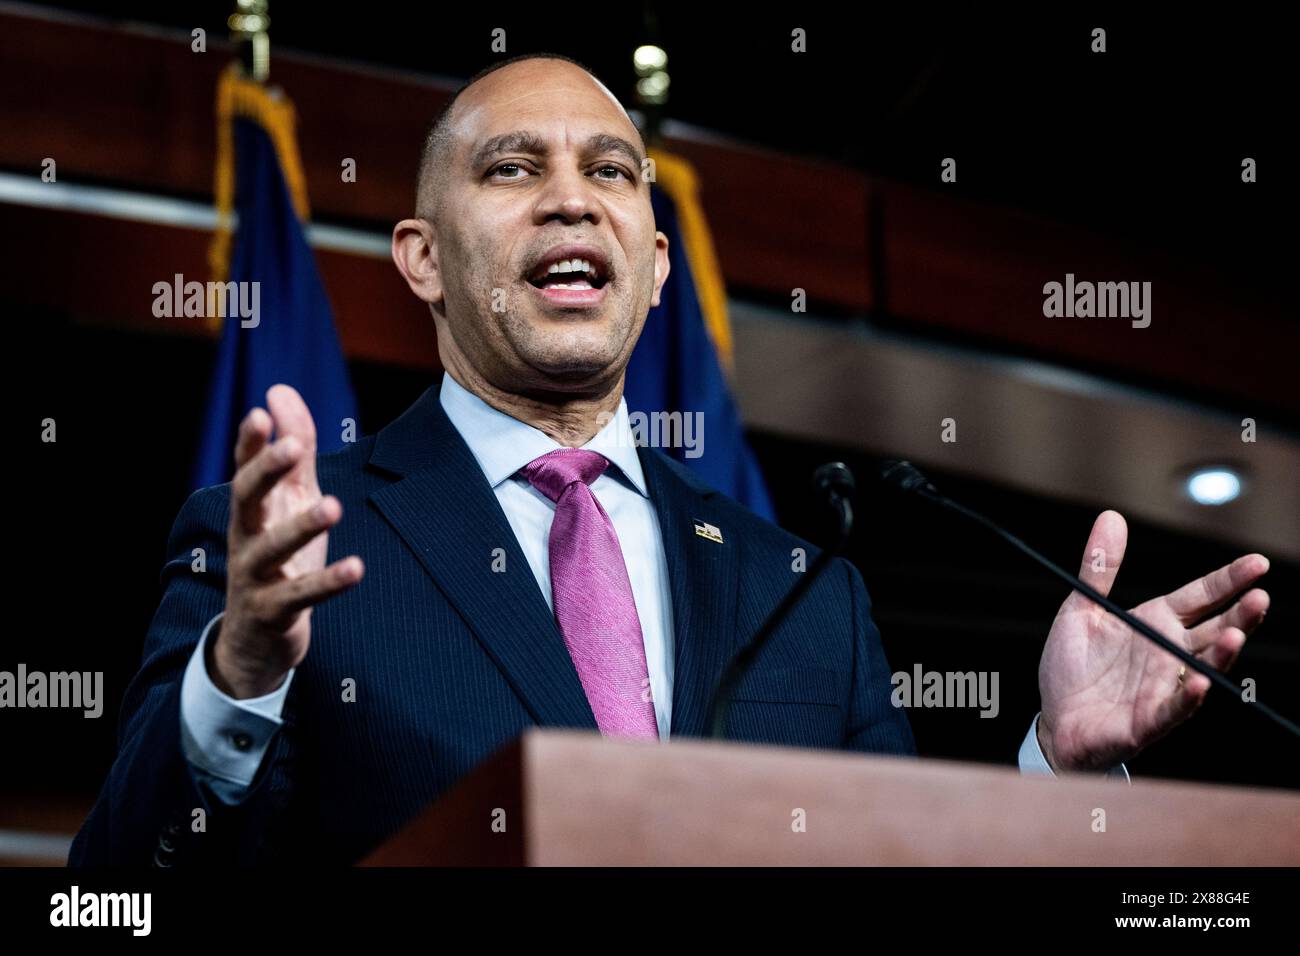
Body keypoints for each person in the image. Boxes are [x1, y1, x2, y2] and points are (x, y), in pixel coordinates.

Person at [70, 53, 1271, 866]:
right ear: (422, 258)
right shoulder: (286, 551)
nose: (568, 201)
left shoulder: (807, 589)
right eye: (510, 168)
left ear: (652, 265)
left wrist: (1053, 766)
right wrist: (238, 676)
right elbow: (116, 892)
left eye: (607, 170)